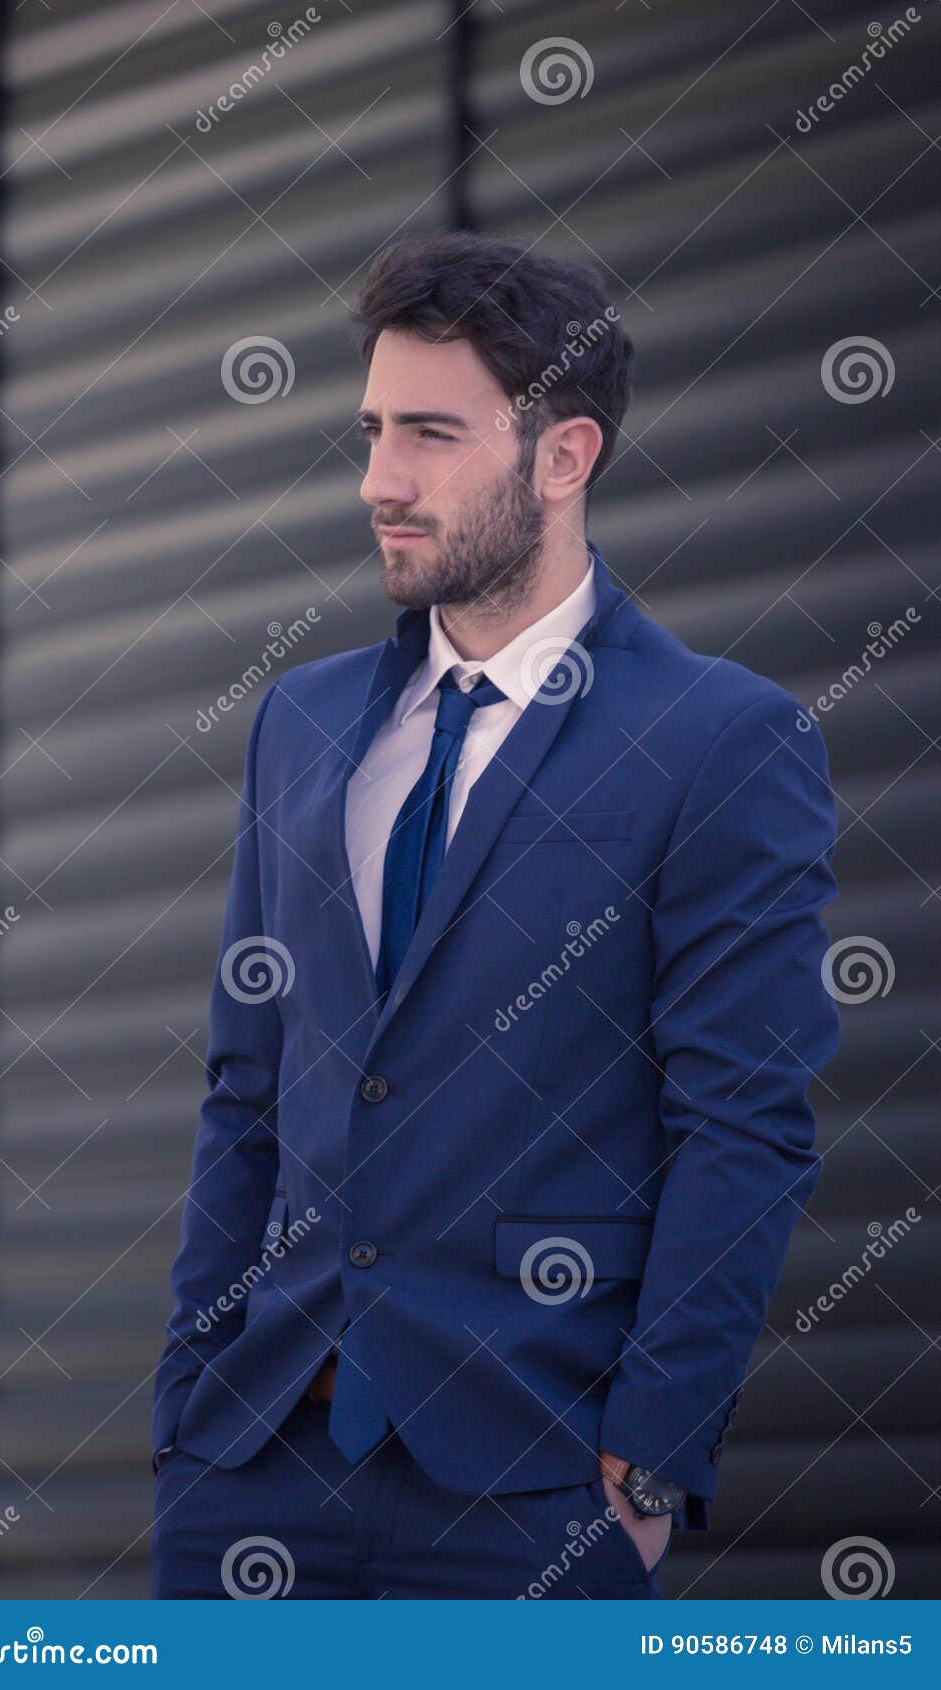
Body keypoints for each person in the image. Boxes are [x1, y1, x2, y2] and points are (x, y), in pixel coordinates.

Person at [150, 231, 840, 1599]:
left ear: (564, 455)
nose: (377, 482)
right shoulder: (301, 721)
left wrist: (648, 1465)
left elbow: (743, 1125)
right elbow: (248, 1084)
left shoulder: (719, 741)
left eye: (430, 435)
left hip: (530, 1486)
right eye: (370, 431)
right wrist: (190, 1393)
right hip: (254, 1468)